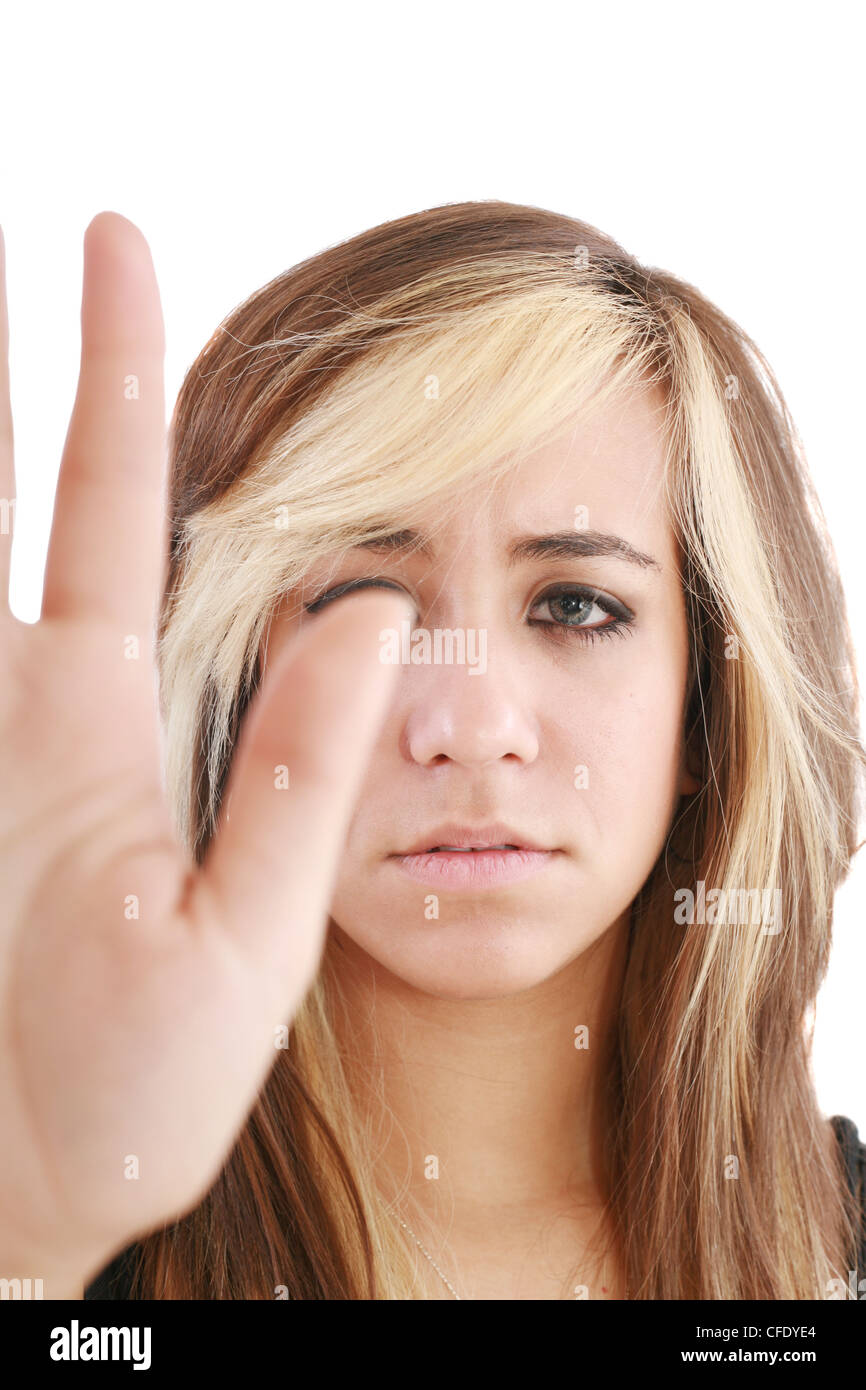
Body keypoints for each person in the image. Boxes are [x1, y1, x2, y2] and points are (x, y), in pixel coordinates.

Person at [1, 201, 863, 1301]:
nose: (468, 725)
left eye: (575, 605)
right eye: (358, 597)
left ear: (704, 705)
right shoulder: (57, 1234)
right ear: (229, 686)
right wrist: (24, 1247)